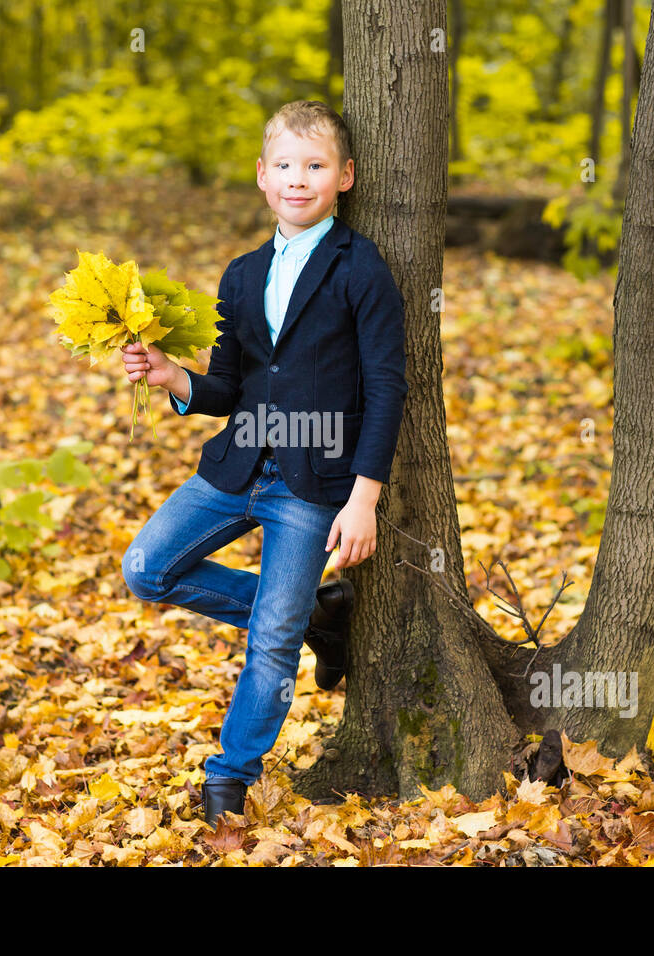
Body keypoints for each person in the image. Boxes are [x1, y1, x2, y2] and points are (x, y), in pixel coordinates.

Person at [119, 99, 408, 826]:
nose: (298, 180)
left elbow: (386, 386)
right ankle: (312, 614)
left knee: (271, 645)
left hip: (315, 487)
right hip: (236, 469)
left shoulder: (360, 268)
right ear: (261, 175)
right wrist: (170, 377)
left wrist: (364, 498)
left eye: (314, 167)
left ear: (345, 176)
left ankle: (230, 776)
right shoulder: (243, 275)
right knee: (147, 568)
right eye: (284, 166)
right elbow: (225, 386)